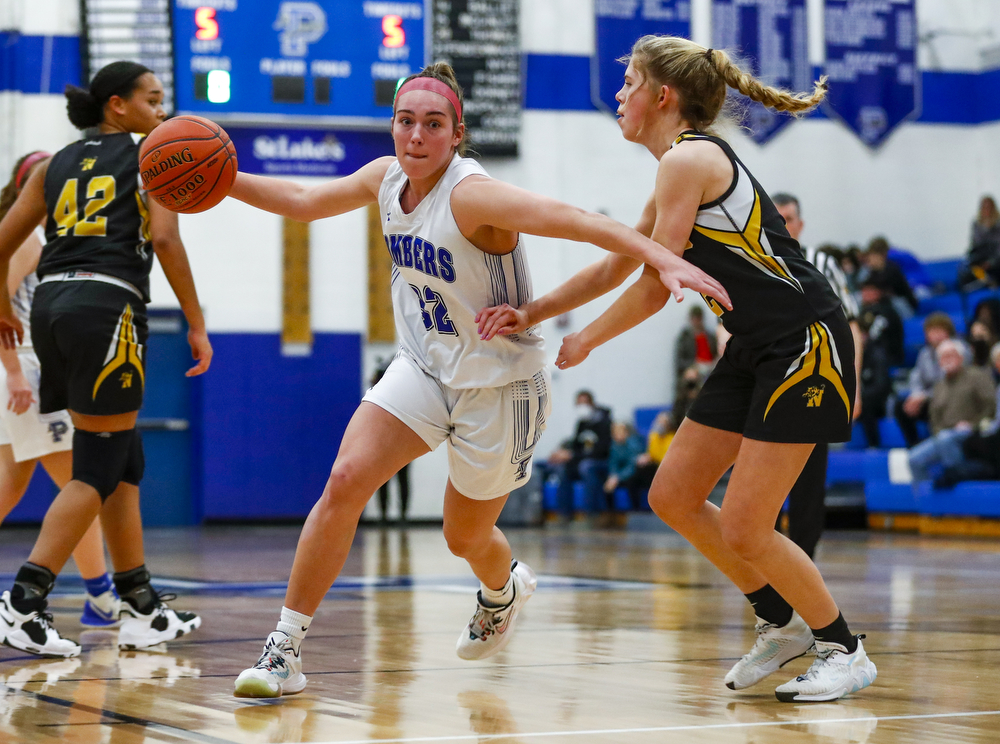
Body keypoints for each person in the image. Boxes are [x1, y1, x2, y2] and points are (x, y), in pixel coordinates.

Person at [227, 62, 730, 698]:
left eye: (433, 124)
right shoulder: (385, 178)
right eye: (405, 122)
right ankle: (284, 650)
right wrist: (223, 180)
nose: (416, 136)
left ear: (457, 133)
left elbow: (572, 218)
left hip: (499, 384)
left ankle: (502, 587)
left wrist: (662, 256)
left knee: (462, 535)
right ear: (392, 127)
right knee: (345, 480)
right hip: (423, 365)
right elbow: (303, 202)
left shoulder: (471, 194)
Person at [478, 36, 877, 702]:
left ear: (662, 96)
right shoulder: (676, 167)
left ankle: (843, 648)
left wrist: (589, 341)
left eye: (629, 82)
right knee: (672, 495)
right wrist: (533, 311)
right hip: (754, 346)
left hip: (803, 343)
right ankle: (780, 623)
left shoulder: (689, 160)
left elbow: (654, 287)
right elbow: (617, 264)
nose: (619, 95)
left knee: (748, 524)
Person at [0, 61, 212, 657]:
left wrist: (3, 310)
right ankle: (23, 603)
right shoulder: (152, 158)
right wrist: (196, 322)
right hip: (107, 307)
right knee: (95, 467)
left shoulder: (52, 165)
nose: (162, 112)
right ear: (117, 105)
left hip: (52, 308)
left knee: (122, 457)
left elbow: (2, 243)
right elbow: (165, 239)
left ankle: (139, 605)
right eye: (153, 100)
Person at [0, 152, 120, 628]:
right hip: (25, 374)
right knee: (82, 485)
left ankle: (101, 597)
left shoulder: (48, 238)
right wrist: (14, 372)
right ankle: (102, 596)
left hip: (28, 373)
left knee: (11, 486)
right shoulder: (27, 239)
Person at [771, 193, 863, 559]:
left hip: (816, 377)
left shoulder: (822, 263)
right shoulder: (753, 262)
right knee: (761, 479)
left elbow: (851, 325)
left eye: (789, 218)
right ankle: (767, 564)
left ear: (801, 224)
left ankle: (802, 562)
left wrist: (853, 385)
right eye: (776, 218)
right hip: (768, 379)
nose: (783, 225)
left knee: (809, 479)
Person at [907, 339, 997, 482]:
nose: (947, 360)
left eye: (951, 355)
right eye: (943, 357)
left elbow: (990, 407)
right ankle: (924, 496)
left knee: (946, 440)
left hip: (972, 432)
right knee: (914, 459)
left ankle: (958, 481)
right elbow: (934, 417)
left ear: (961, 358)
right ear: (939, 362)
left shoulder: (977, 376)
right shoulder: (939, 385)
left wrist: (973, 425)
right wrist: (938, 431)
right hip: (944, 434)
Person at [893, 313, 967, 447]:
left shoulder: (958, 350)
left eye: (939, 330)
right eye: (932, 331)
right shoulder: (925, 353)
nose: (935, 335)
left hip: (953, 398)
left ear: (948, 332)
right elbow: (917, 378)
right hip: (929, 397)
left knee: (936, 403)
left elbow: (951, 383)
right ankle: (914, 445)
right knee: (901, 406)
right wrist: (916, 395)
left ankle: (941, 445)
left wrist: (925, 396)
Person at [543, 389, 613, 519]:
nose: (581, 407)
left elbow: (602, 450)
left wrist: (573, 455)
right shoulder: (582, 423)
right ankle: (564, 514)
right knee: (563, 469)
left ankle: (592, 514)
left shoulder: (604, 422)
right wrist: (563, 453)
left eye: (584, 403)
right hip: (582, 460)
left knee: (586, 467)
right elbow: (576, 445)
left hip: (601, 461)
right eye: (579, 404)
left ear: (592, 404)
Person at [370, 360, 410, 523]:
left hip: (401, 443)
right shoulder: (377, 399)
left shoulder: (403, 395)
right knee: (386, 481)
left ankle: (399, 516)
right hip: (388, 444)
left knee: (400, 480)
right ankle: (387, 515)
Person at [859, 237, 917, 318]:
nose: (870, 260)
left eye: (872, 256)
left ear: (881, 256)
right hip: (884, 304)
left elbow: (895, 290)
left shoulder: (892, 269)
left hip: (901, 303)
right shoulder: (871, 272)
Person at [603, 421, 647, 520]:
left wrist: (618, 477)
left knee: (632, 482)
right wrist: (613, 476)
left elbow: (633, 465)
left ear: (626, 433)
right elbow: (613, 463)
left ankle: (636, 512)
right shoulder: (614, 446)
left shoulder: (633, 444)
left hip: (633, 474)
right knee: (607, 484)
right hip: (620, 474)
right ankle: (611, 514)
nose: (618, 435)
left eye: (620, 432)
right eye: (615, 433)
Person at [858, 276, 905, 368]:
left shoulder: (887, 311)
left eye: (869, 290)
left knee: (877, 350)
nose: (865, 293)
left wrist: (862, 340)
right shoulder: (864, 310)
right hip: (868, 353)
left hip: (889, 354)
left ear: (878, 292)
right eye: (863, 290)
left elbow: (875, 333)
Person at [958, 196, 1000, 289]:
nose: (986, 210)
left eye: (989, 208)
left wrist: (990, 263)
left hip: (996, 262)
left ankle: (990, 282)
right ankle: (985, 282)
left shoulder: (998, 225)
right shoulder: (976, 225)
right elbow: (974, 246)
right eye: (984, 207)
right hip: (980, 262)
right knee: (966, 275)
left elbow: (998, 249)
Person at [673, 305, 717, 387]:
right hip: (694, 367)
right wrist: (693, 366)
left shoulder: (710, 337)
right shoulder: (685, 337)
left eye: (698, 318)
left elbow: (716, 354)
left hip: (710, 367)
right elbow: (680, 361)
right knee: (691, 378)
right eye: (695, 318)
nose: (696, 321)